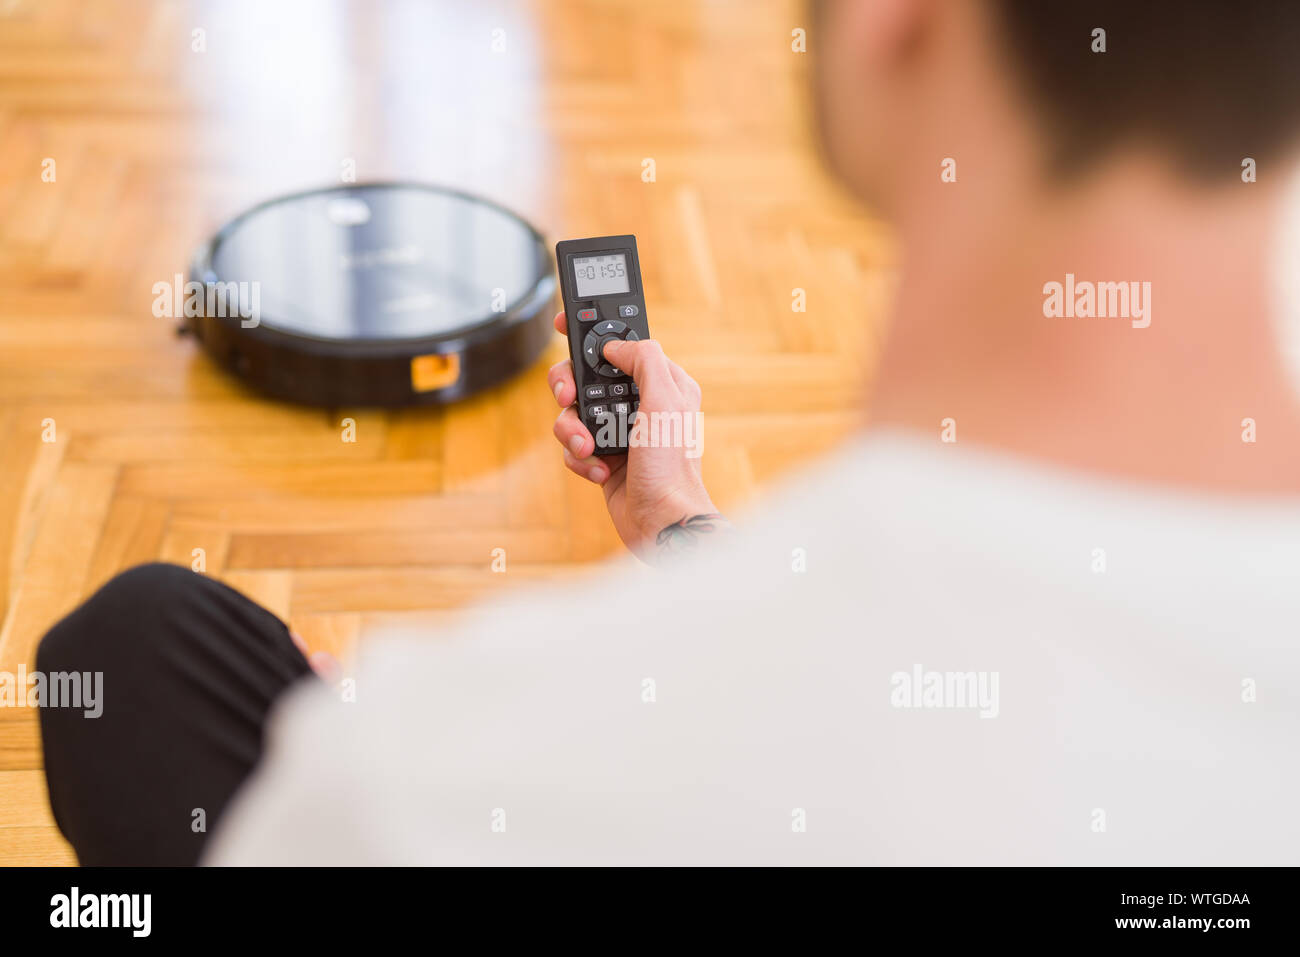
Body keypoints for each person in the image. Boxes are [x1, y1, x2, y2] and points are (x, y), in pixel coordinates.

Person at [39, 0, 1300, 865]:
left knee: (122, 659)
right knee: (149, 640)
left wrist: (361, 752)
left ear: (893, 20)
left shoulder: (424, 782)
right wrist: (680, 524)